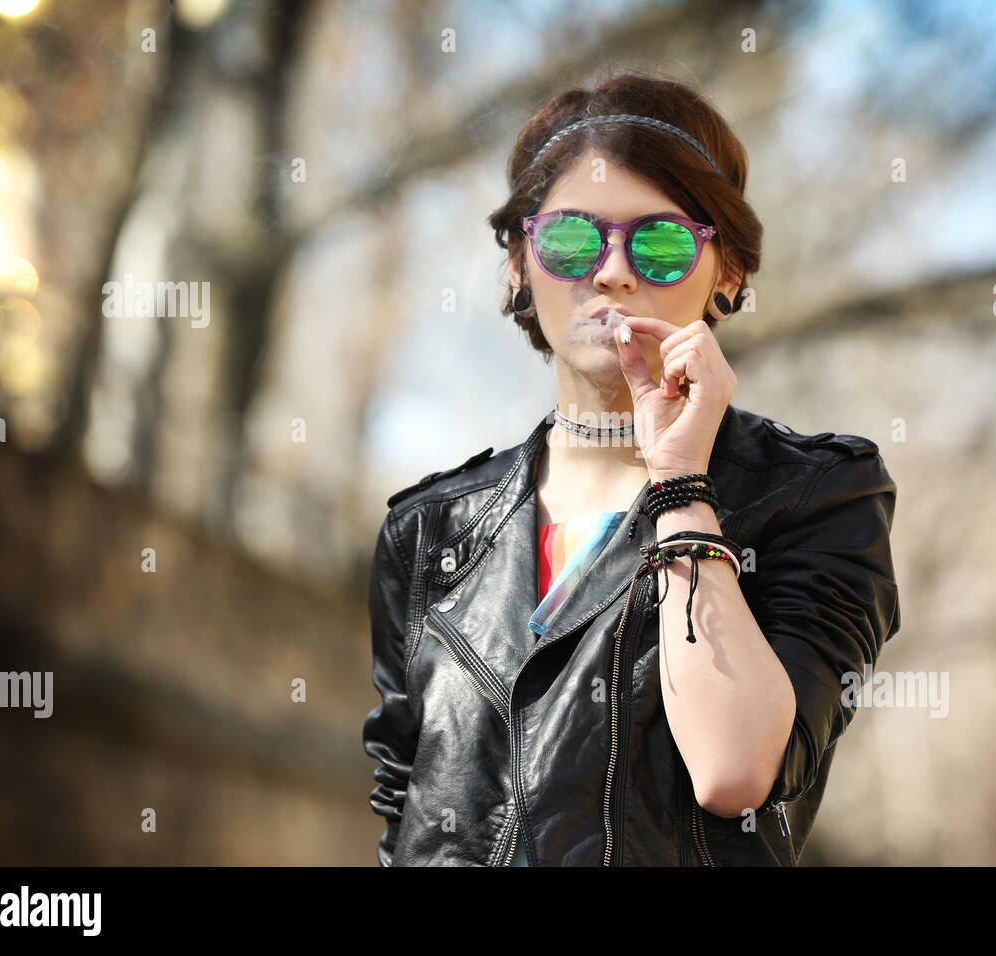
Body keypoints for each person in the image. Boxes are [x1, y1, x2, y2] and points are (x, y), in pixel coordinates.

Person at [363, 70, 901, 866]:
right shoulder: (428, 531)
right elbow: (401, 809)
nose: (612, 271)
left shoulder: (819, 497)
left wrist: (680, 481)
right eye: (574, 238)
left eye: (658, 242)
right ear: (519, 261)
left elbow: (735, 772)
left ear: (727, 274)